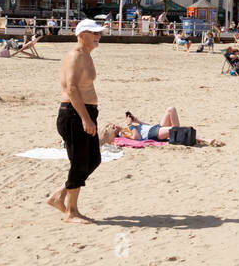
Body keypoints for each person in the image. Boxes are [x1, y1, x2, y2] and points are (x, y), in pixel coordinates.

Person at [47, 19, 105, 224]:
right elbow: (71, 89)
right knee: (80, 161)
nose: (99, 36)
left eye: (99, 33)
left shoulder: (87, 55)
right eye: (94, 33)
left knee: (93, 159)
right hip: (73, 114)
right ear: (81, 34)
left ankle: (60, 195)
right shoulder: (74, 56)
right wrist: (85, 118)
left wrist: (90, 116)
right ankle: (71, 212)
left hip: (86, 113)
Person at [110, 107, 223, 145]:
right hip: (153, 134)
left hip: (154, 127)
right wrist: (130, 125)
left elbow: (146, 126)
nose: (115, 126)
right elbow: (137, 137)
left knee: (171, 109)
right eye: (112, 128)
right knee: (173, 129)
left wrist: (137, 120)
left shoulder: (126, 128)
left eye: (113, 125)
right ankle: (204, 139)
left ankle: (178, 135)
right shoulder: (122, 134)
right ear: (113, 133)